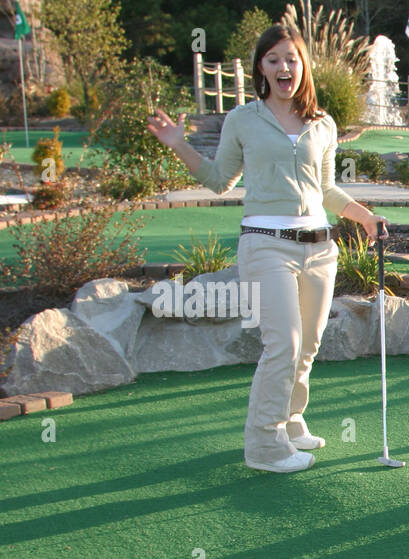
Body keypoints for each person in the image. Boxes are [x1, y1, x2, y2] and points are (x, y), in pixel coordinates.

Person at [147, 25, 388, 473]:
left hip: (319, 247)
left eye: (292, 59)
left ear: (303, 67)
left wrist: (365, 217)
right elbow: (219, 180)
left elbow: (328, 190)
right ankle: (264, 446)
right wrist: (179, 144)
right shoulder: (243, 119)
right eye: (274, 59)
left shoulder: (323, 123)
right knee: (284, 343)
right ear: (261, 66)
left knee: (309, 344)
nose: (284, 68)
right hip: (266, 245)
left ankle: (292, 419)